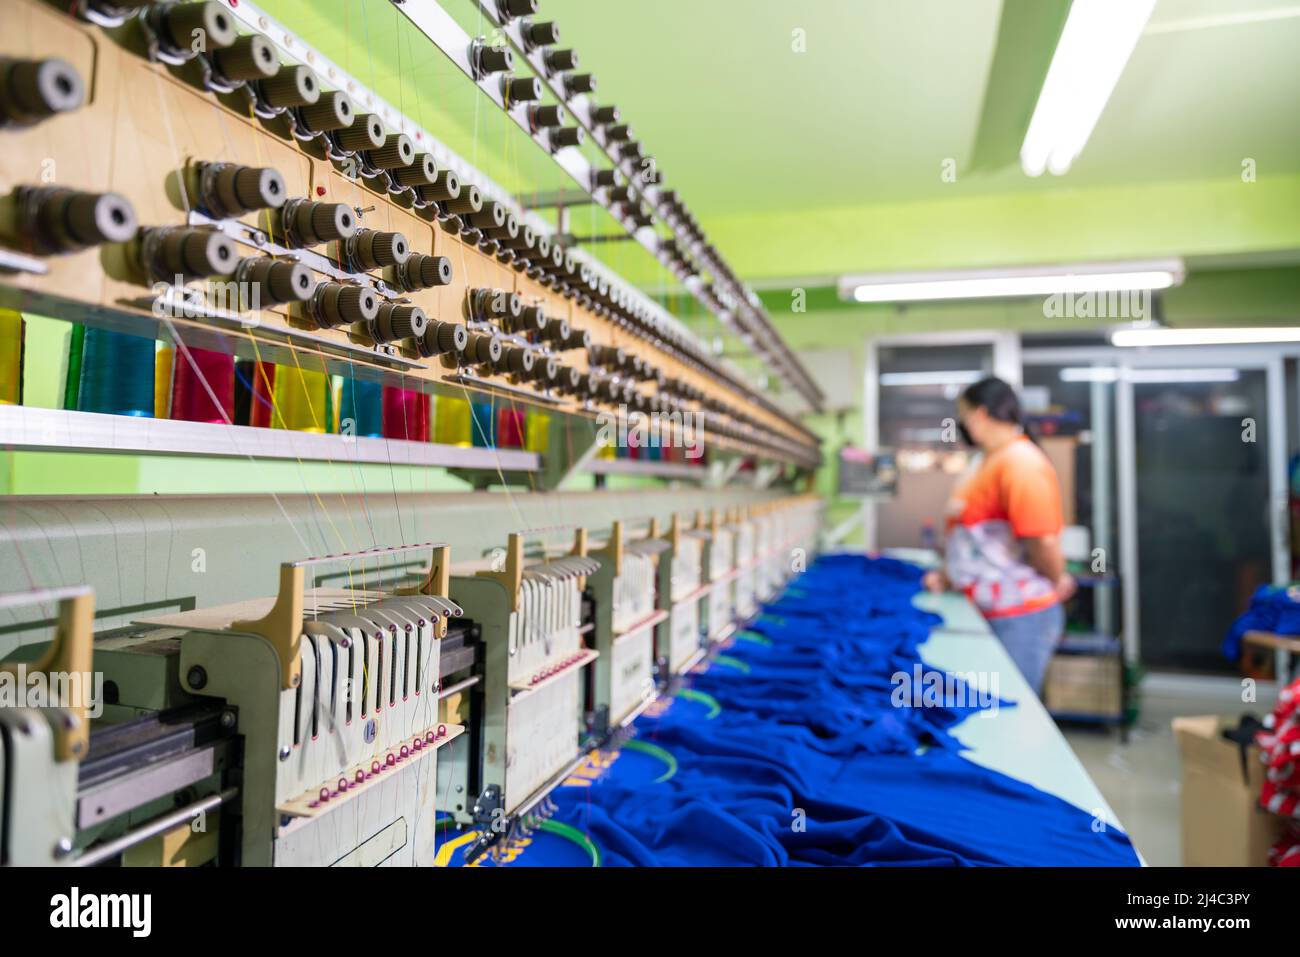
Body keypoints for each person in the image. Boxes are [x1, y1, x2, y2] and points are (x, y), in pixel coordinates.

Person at [922, 377, 1075, 695]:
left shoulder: (1021, 463)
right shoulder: (984, 461)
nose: (961, 423)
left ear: (977, 415)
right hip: (991, 610)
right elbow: (976, 541)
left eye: (961, 414)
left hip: (1019, 616)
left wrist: (1055, 576)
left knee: (1007, 709)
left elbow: (1043, 541)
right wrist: (951, 576)